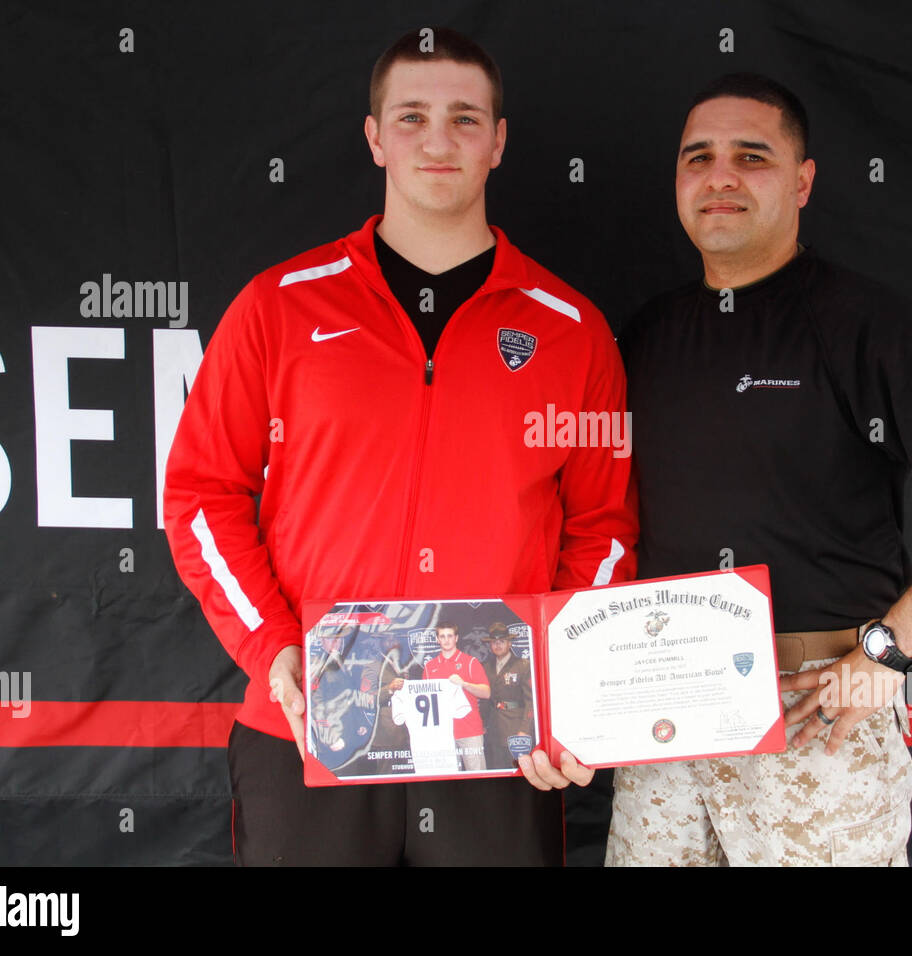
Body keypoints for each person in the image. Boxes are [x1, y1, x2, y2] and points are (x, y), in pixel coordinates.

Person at [163, 28, 635, 866]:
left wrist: (553, 682)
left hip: (494, 734)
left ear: (498, 140)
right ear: (375, 136)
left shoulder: (570, 332)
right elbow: (201, 496)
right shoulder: (279, 309)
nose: (438, 139)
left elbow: (601, 534)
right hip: (311, 721)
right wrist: (274, 651)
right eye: (411, 116)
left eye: (464, 117)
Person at [607, 73, 912, 866]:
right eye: (698, 158)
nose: (721, 177)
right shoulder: (646, 334)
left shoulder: (860, 320)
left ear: (804, 181)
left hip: (814, 710)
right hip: (663, 706)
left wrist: (889, 650)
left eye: (753, 157)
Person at [419, 623, 490, 771]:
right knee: (448, 780)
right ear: (437, 639)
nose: (446, 640)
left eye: (450, 636)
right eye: (442, 636)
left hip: (469, 730)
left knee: (477, 777)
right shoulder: (429, 667)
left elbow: (486, 693)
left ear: (456, 638)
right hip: (442, 733)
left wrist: (464, 684)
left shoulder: (470, 662)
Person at [483, 622, 534, 768]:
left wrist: (525, 729)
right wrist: (483, 723)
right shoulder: (486, 667)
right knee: (496, 770)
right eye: (494, 642)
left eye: (502, 641)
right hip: (494, 728)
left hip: (515, 727)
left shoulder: (522, 665)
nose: (498, 645)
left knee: (517, 770)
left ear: (509, 643)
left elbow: (531, 701)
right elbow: (486, 700)